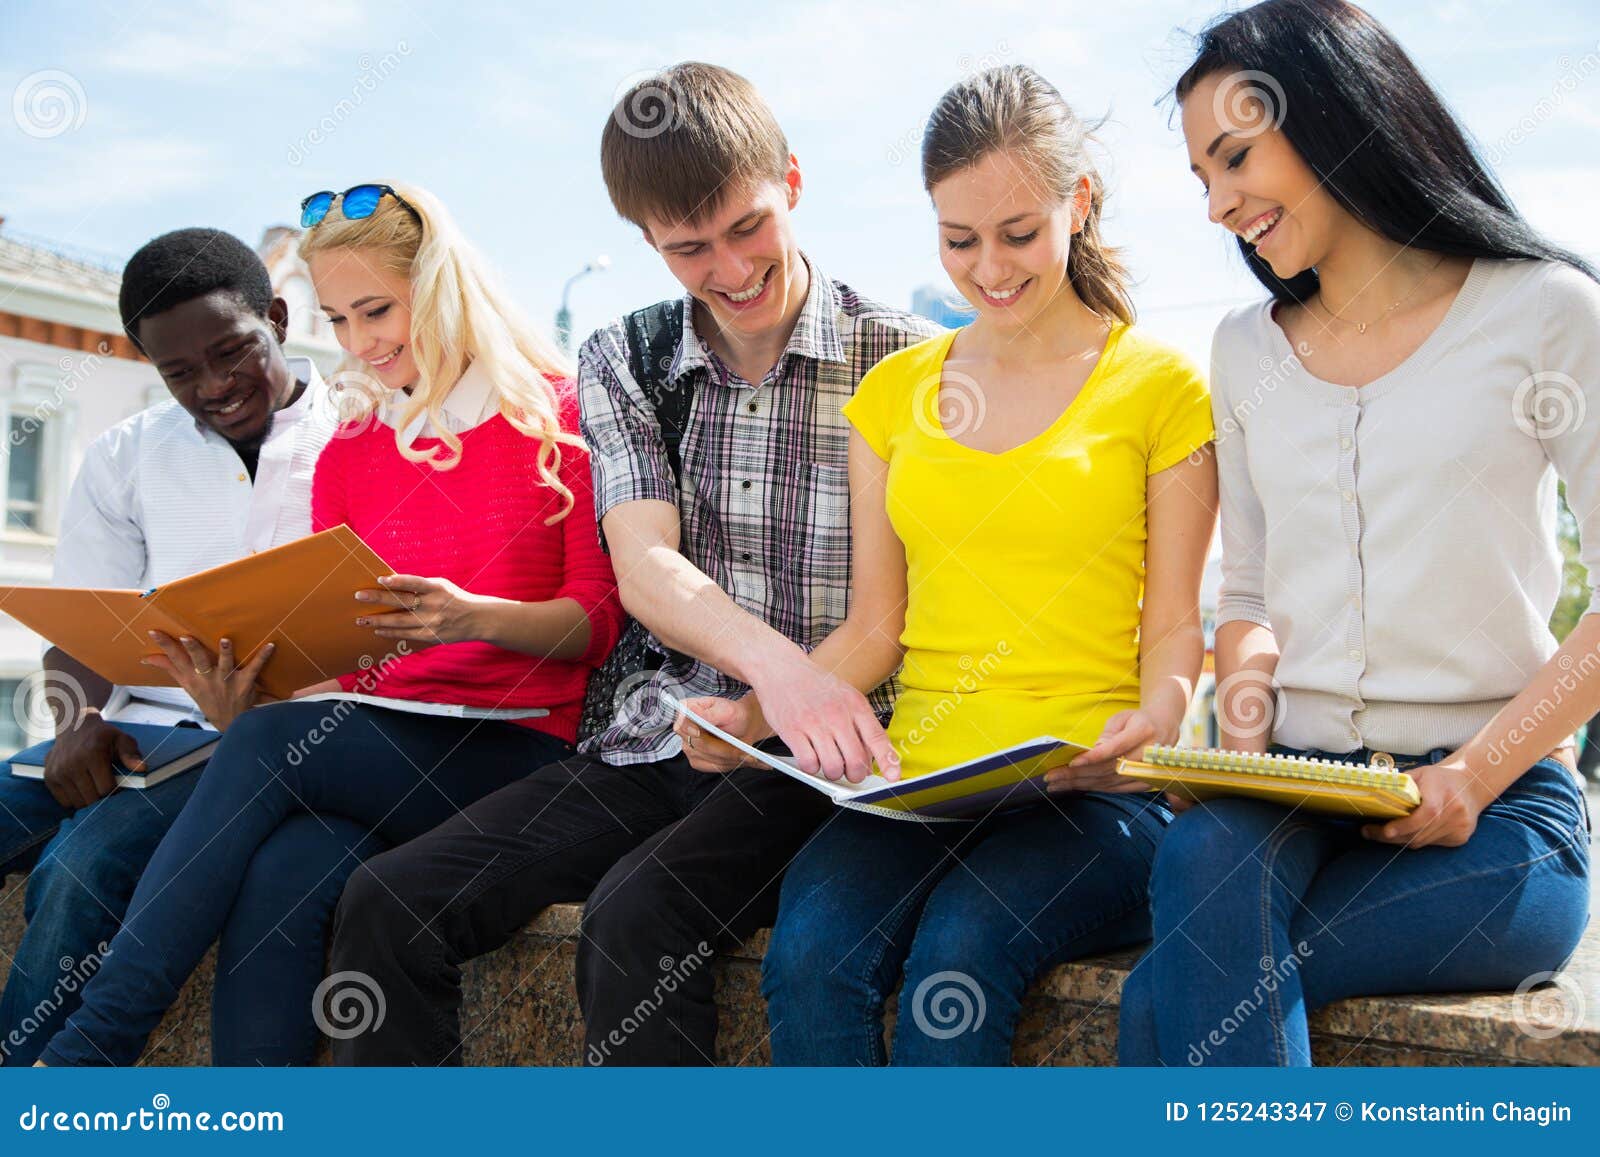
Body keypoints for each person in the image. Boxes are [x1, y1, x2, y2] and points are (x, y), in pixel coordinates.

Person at [326, 64, 941, 1066]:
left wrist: (780, 700)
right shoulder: (630, 355)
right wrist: (755, 677)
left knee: (636, 915)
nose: (731, 269)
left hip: (823, 744)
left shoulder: (900, 358)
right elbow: (644, 561)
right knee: (388, 899)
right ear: (647, 241)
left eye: (746, 227)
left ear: (789, 180)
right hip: (662, 730)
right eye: (688, 249)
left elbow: (901, 609)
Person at [35, 182, 623, 1067]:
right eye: (339, 318)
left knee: (270, 745)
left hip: (519, 749)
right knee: (285, 873)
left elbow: (596, 624)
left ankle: (87, 1048)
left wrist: (471, 616)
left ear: (442, 285)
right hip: (381, 748)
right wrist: (257, 693)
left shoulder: (560, 416)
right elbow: (343, 654)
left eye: (377, 310)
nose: (358, 343)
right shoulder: (352, 445)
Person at [1120, 0, 1595, 1067]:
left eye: (1235, 157)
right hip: (1298, 785)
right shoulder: (1245, 349)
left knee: (1164, 999)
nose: (1216, 203)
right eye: (1201, 177)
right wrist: (1240, 745)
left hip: (1504, 814)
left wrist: (1472, 772)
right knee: (1202, 853)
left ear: (1338, 110)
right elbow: (1243, 597)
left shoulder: (1546, 311)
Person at [746, 65, 1217, 1065]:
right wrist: (758, 713)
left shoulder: (1159, 386)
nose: (989, 268)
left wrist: (1158, 718)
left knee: (957, 960)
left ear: (1075, 206)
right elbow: (879, 625)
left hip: (1094, 794)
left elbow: (1177, 621)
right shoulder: (893, 394)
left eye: (1018, 234)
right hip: (919, 779)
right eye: (959, 241)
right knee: (809, 957)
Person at [0, 228, 354, 1065]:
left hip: (277, 746)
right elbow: (81, 625)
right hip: (135, 734)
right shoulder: (126, 453)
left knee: (79, 867)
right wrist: (80, 716)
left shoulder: (359, 438)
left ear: (277, 314)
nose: (216, 385)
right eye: (180, 373)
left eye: (233, 352)